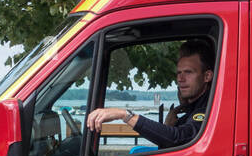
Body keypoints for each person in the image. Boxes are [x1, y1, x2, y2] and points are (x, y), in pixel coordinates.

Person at [86, 39, 215, 149]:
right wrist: (169, 126)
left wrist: (124, 115)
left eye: (188, 72)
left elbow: (178, 138)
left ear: (207, 76)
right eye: (178, 73)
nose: (180, 79)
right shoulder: (192, 110)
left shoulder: (208, 110)